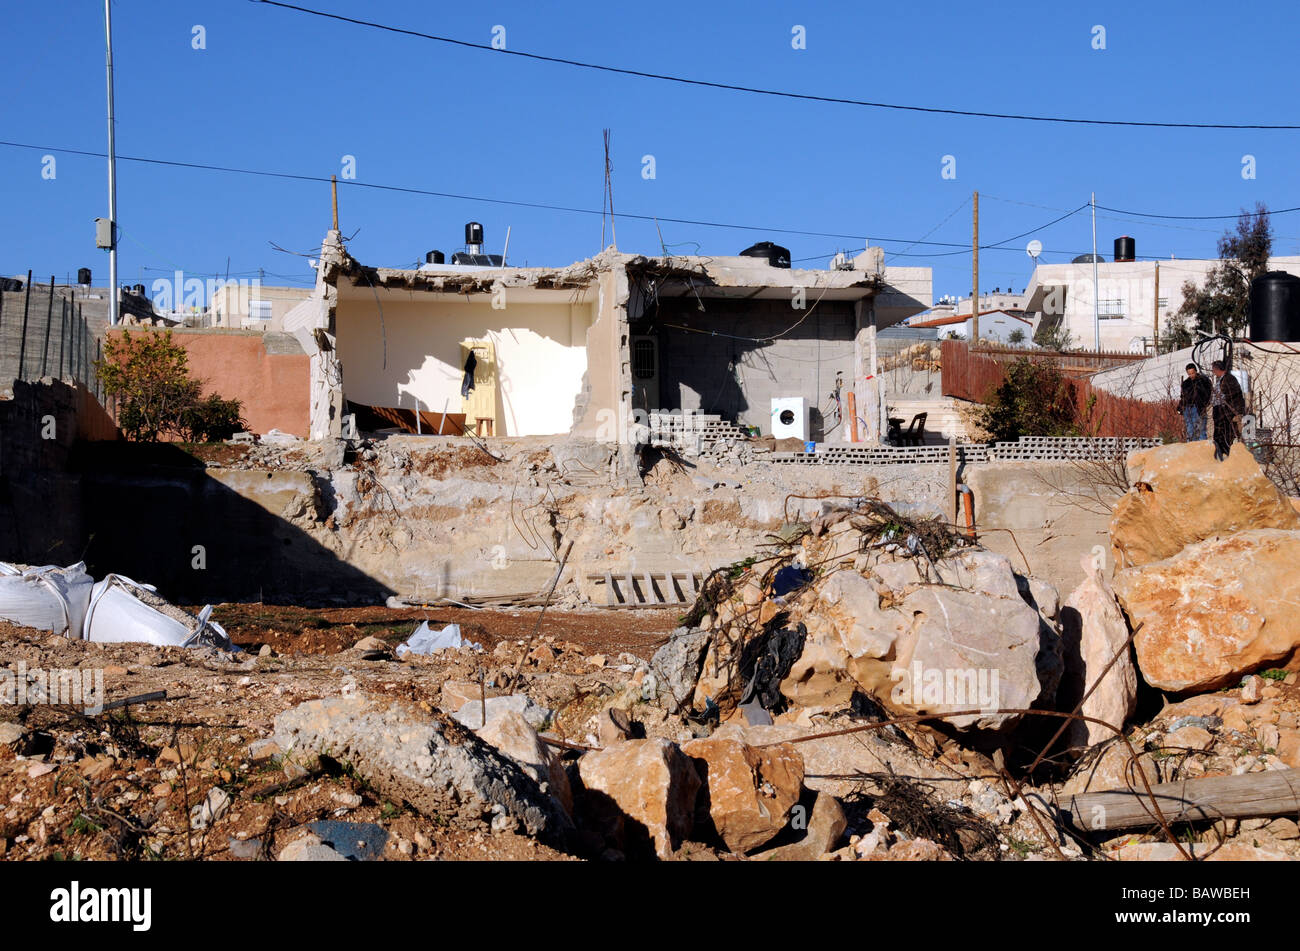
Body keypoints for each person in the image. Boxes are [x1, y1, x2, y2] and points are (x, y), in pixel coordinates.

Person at [1210, 359, 1246, 462]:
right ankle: (1221, 452)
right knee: (1219, 433)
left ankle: (1227, 452)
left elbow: (1232, 394)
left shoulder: (1229, 379)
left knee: (1226, 433)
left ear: (1218, 369)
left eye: (1214, 370)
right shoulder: (1221, 379)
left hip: (1226, 411)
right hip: (1220, 410)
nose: (1213, 372)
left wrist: (1223, 401)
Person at [1176, 363, 1210, 441]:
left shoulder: (1203, 381)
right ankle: (1191, 449)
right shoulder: (1186, 383)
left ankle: (1203, 449)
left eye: (1192, 373)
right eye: (1189, 374)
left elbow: (1207, 394)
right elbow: (1183, 397)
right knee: (1190, 431)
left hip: (1198, 408)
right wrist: (1180, 407)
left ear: (1196, 371)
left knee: (1201, 431)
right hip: (1188, 409)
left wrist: (1203, 404)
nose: (1191, 375)